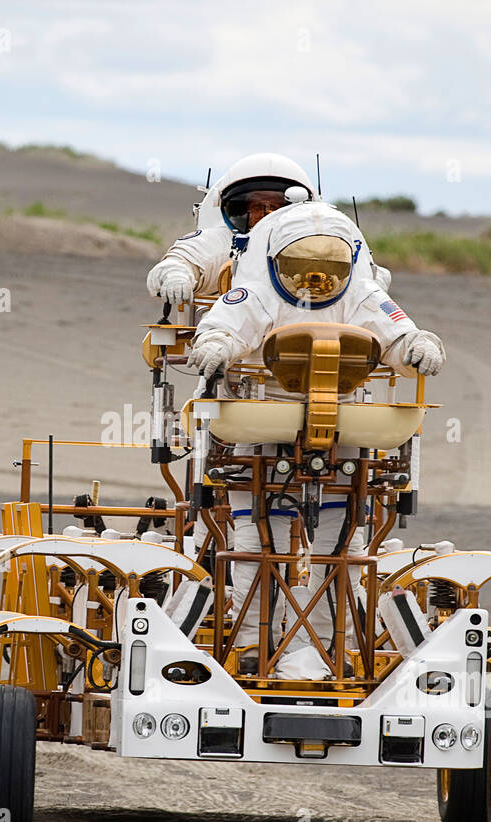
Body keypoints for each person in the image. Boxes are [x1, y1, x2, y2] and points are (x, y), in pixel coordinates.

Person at [186, 199, 445, 678]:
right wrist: (216, 344)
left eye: (327, 271)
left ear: (347, 264)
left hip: (342, 430)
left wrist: (417, 347)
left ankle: (328, 649)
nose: (315, 281)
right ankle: (250, 645)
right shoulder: (258, 292)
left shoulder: (364, 296)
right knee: (253, 545)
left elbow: (398, 335)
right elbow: (224, 324)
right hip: (264, 420)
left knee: (341, 549)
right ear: (277, 260)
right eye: (303, 269)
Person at [147, 152, 398, 308]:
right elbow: (178, 262)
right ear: (237, 210)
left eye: (278, 206)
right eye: (258, 206)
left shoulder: (322, 248)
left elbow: (366, 283)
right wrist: (175, 277)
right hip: (235, 359)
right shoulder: (223, 244)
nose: (268, 215)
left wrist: (375, 279)